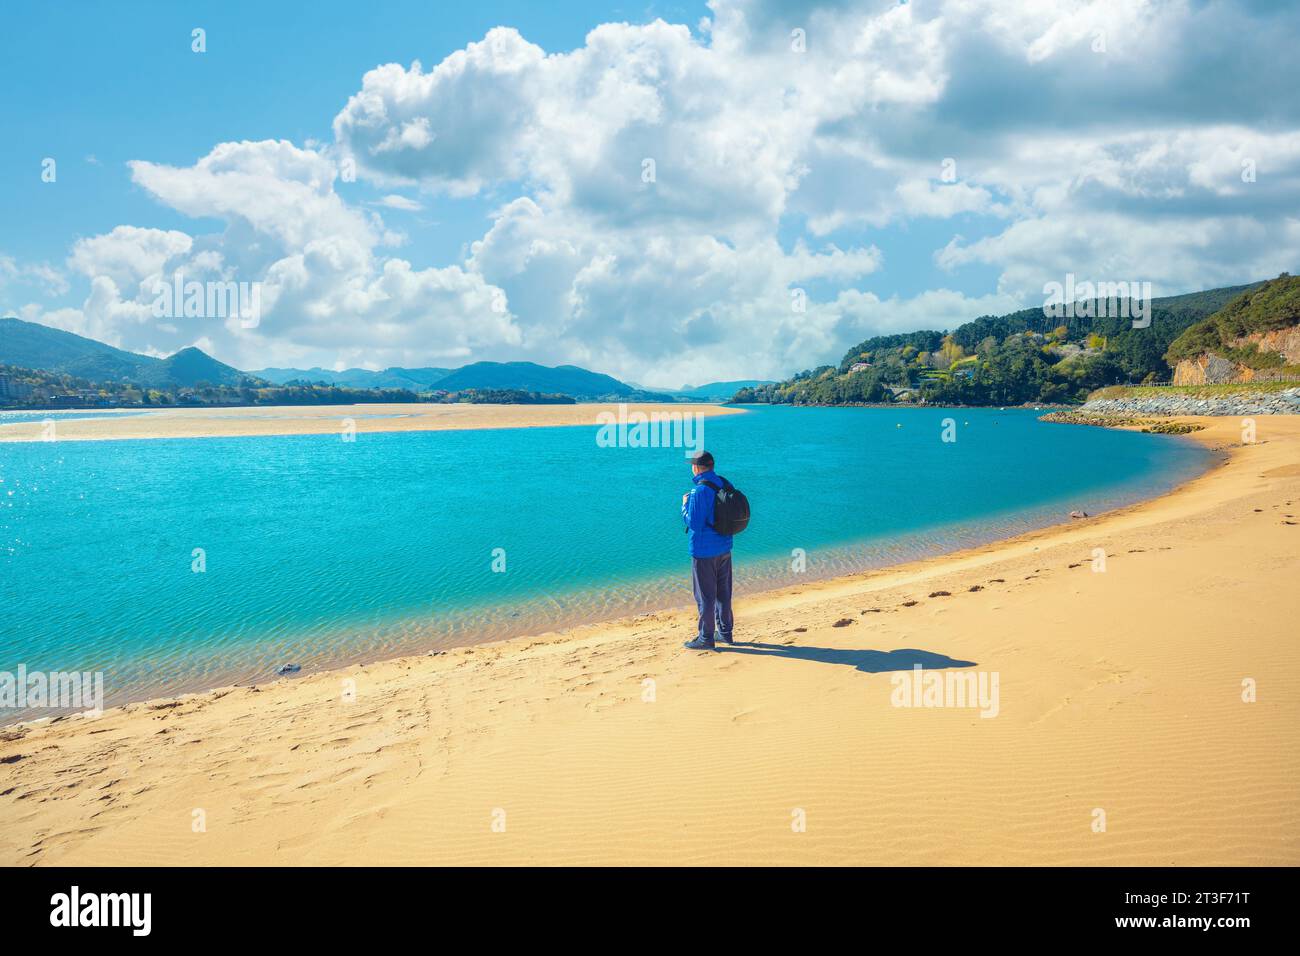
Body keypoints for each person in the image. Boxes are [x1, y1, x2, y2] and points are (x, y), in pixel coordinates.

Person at [680, 450, 735, 650]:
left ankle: (705, 637)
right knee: (723, 594)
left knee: (705, 596)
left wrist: (684, 506)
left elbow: (693, 523)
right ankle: (726, 632)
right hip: (724, 548)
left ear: (697, 468)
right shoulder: (723, 483)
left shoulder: (699, 491)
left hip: (704, 552)